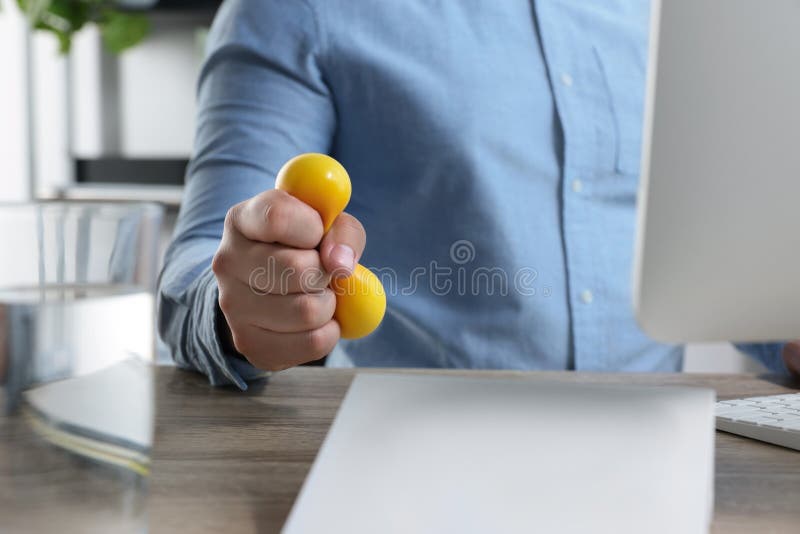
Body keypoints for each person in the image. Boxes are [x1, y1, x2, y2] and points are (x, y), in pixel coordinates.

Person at [158, 0, 800, 389]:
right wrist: (240, 303)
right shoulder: (294, 11)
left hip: (667, 460)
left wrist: (786, 330)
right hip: (408, 473)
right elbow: (197, 269)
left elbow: (731, 255)